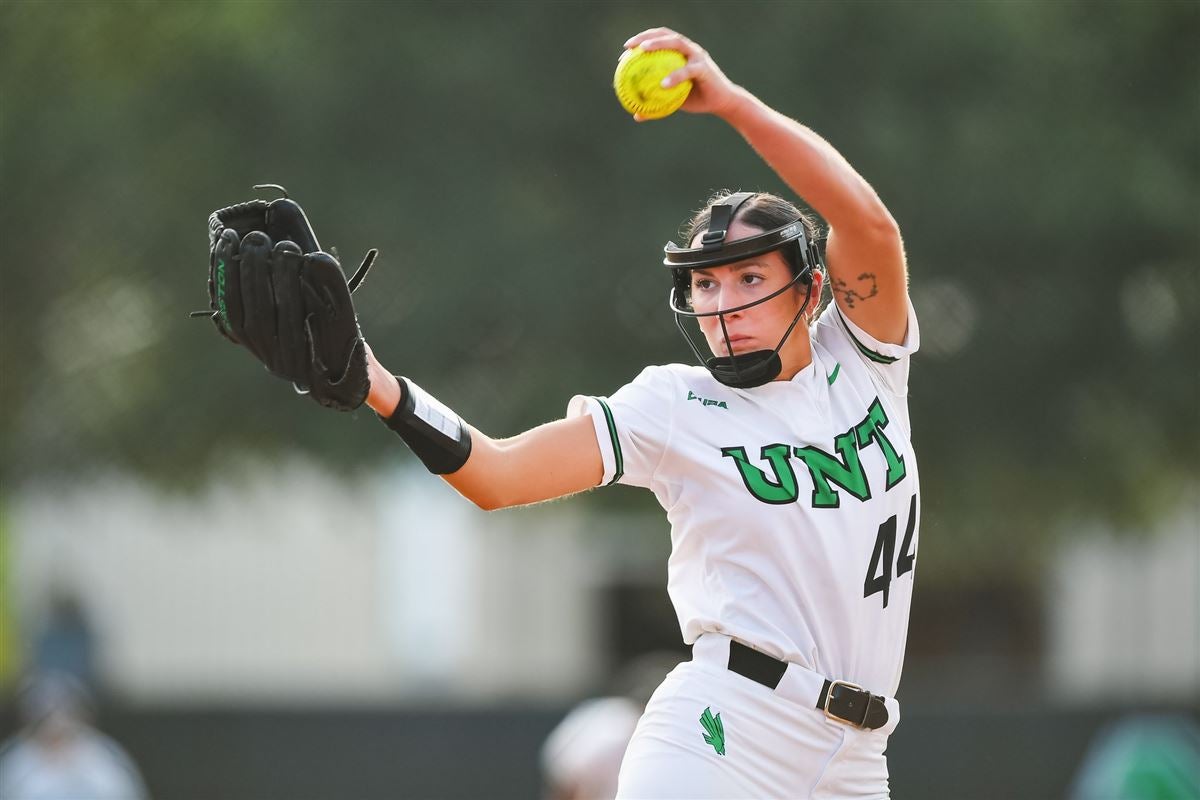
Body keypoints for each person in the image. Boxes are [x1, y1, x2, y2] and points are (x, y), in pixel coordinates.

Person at [367, 27, 919, 799]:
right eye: (706, 284)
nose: (724, 303)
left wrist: (730, 105)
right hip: (725, 729)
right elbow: (496, 475)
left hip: (858, 758)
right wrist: (374, 383)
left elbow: (868, 224)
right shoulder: (675, 404)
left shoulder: (865, 359)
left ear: (813, 290)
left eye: (749, 276)